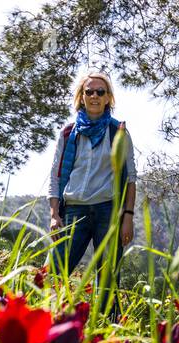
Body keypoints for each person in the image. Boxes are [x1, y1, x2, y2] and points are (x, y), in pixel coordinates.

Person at [47, 69, 136, 316]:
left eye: (100, 91)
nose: (95, 96)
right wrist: (54, 215)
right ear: (81, 96)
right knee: (53, 271)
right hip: (74, 210)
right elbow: (56, 176)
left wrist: (128, 216)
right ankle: (50, 322)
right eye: (89, 91)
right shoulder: (68, 133)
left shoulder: (118, 132)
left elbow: (130, 178)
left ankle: (105, 337)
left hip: (108, 211)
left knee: (108, 281)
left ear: (108, 97)